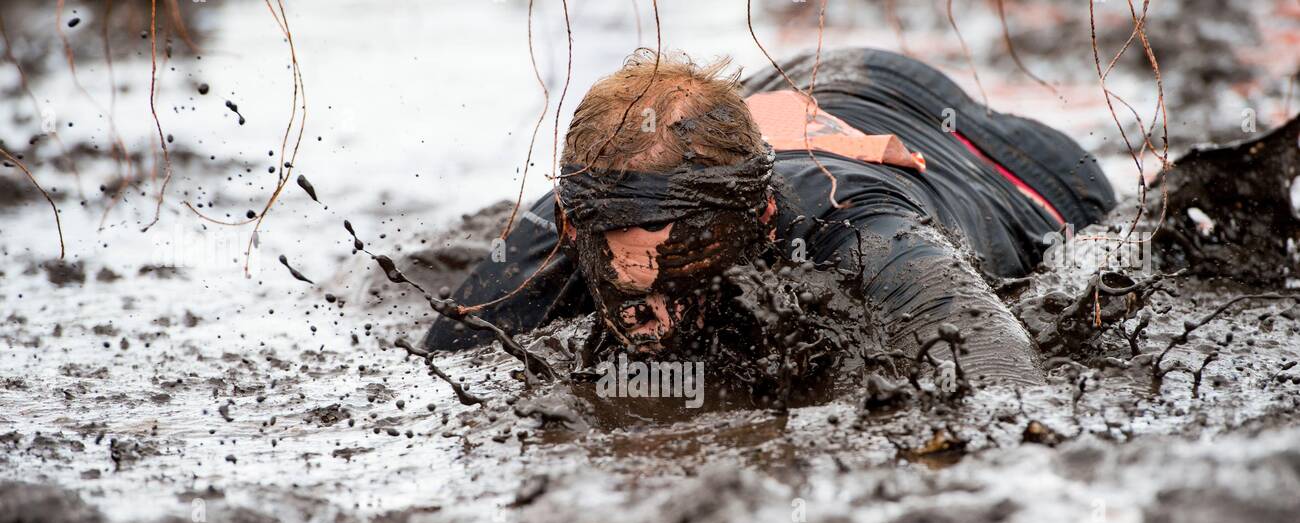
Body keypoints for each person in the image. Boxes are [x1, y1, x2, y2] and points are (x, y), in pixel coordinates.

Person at [422, 48, 1116, 386]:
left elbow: (1004, 383)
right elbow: (440, 365)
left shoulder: (860, 232)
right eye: (618, 265)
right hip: (791, 87)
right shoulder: (579, 212)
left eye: (683, 260)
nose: (649, 310)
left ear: (763, 212)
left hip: (1019, 168)